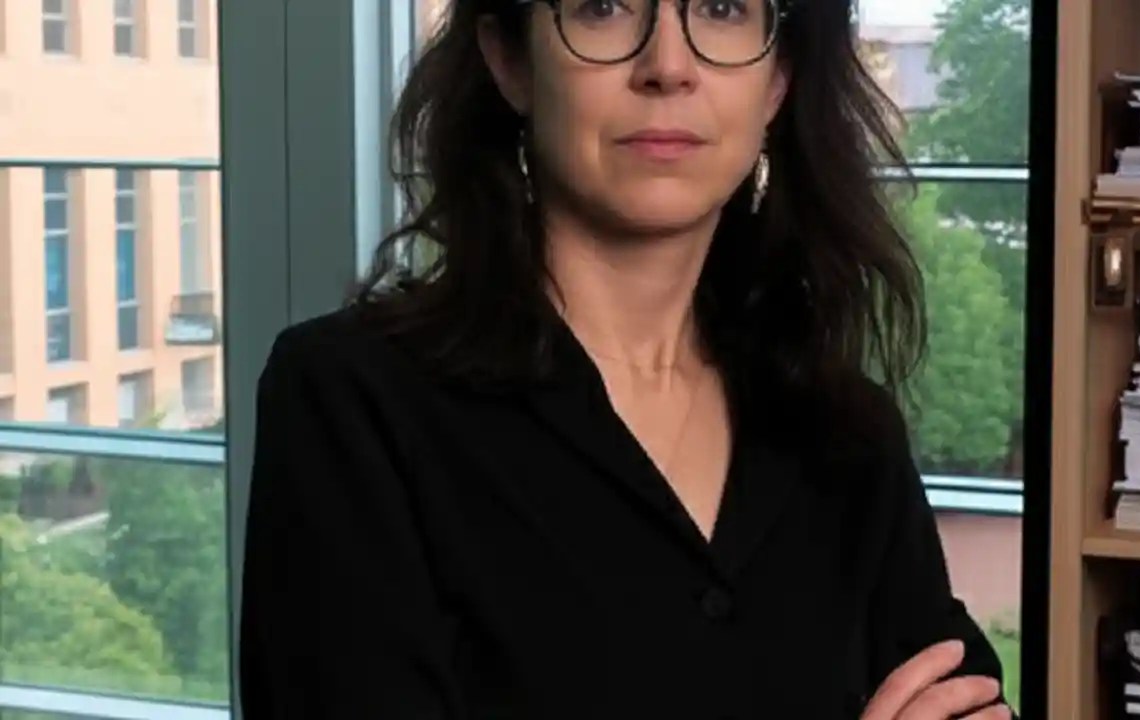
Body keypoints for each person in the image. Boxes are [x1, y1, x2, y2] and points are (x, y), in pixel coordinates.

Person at [238, 0, 1016, 717]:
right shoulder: (349, 403)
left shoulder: (846, 431)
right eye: (603, 6)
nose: (668, 65)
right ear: (510, 60)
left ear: (778, 80)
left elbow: (963, 698)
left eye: (721, 7)